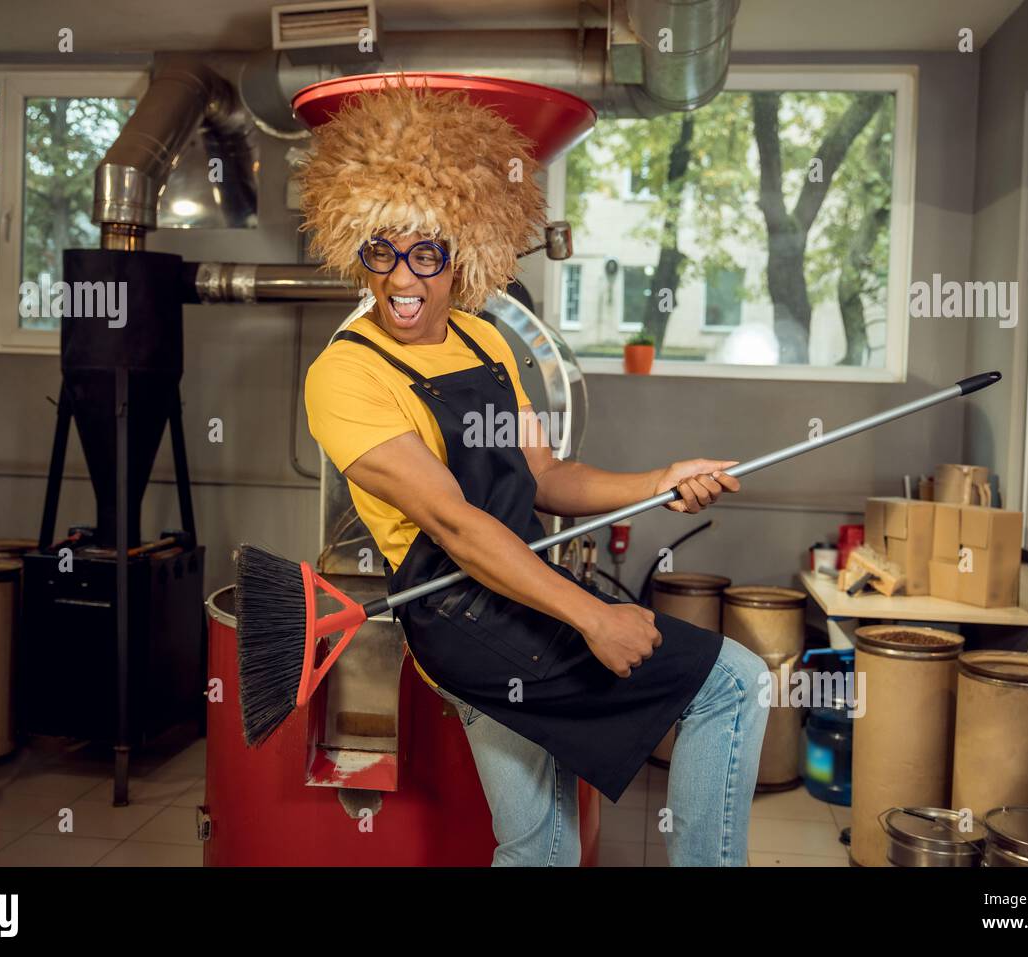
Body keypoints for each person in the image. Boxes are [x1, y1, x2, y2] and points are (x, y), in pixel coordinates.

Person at [300, 77, 768, 866]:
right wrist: (592, 616)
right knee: (733, 683)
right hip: (462, 615)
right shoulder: (345, 375)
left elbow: (548, 476)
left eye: (426, 252)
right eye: (382, 251)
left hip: (516, 585)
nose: (402, 279)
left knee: (539, 846)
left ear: (465, 252)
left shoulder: (487, 345)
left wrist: (664, 477)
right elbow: (453, 523)